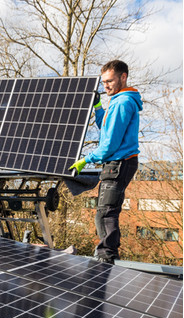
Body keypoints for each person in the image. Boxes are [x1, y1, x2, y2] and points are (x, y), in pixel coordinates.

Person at [69, 60, 142, 264]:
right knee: (104, 212)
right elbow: (107, 129)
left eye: (109, 81)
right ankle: (106, 255)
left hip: (119, 162)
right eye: (104, 82)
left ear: (123, 77)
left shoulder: (123, 102)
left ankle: (107, 259)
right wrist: (99, 108)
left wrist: (86, 159)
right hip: (119, 162)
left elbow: (109, 144)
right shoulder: (118, 101)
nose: (106, 86)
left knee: (106, 214)